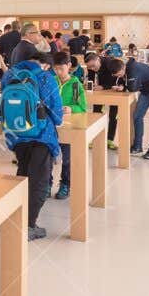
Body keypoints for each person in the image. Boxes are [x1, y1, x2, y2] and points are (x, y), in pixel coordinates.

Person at [0, 45, 63, 239]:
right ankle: (28, 226)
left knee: (22, 175)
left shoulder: (9, 76)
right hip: (42, 136)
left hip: (17, 135)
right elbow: (57, 114)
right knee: (39, 182)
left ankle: (17, 220)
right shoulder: (46, 78)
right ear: (45, 65)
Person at [116, 52, 149, 161]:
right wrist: (123, 84)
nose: (118, 76)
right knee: (137, 116)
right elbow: (129, 84)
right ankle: (137, 146)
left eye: (118, 74)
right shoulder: (125, 68)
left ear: (123, 67)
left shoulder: (133, 69)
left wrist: (124, 86)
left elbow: (132, 88)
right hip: (146, 90)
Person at [53, 51, 88, 200]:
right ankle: (47, 183)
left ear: (69, 66)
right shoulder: (51, 81)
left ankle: (65, 184)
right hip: (52, 127)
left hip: (69, 127)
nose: (58, 72)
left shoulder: (75, 84)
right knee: (47, 157)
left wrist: (71, 109)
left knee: (67, 158)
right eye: (55, 69)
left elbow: (83, 107)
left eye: (61, 68)